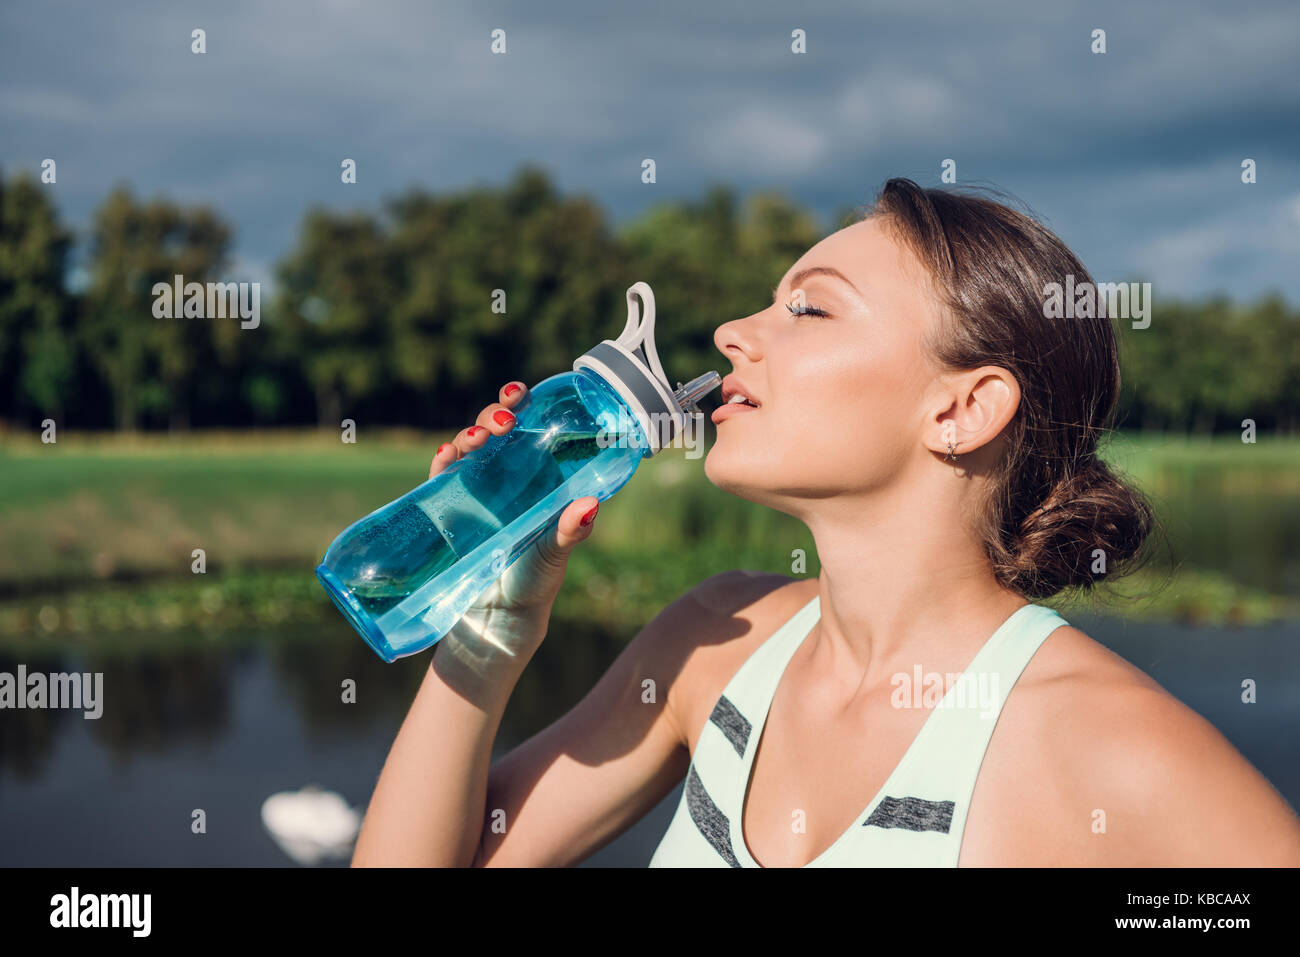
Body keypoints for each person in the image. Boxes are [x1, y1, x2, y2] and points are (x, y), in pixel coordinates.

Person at [350, 178, 1300, 867]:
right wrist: (487, 640)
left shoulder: (1111, 747)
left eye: (808, 308)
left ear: (962, 409)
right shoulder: (711, 645)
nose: (733, 332)